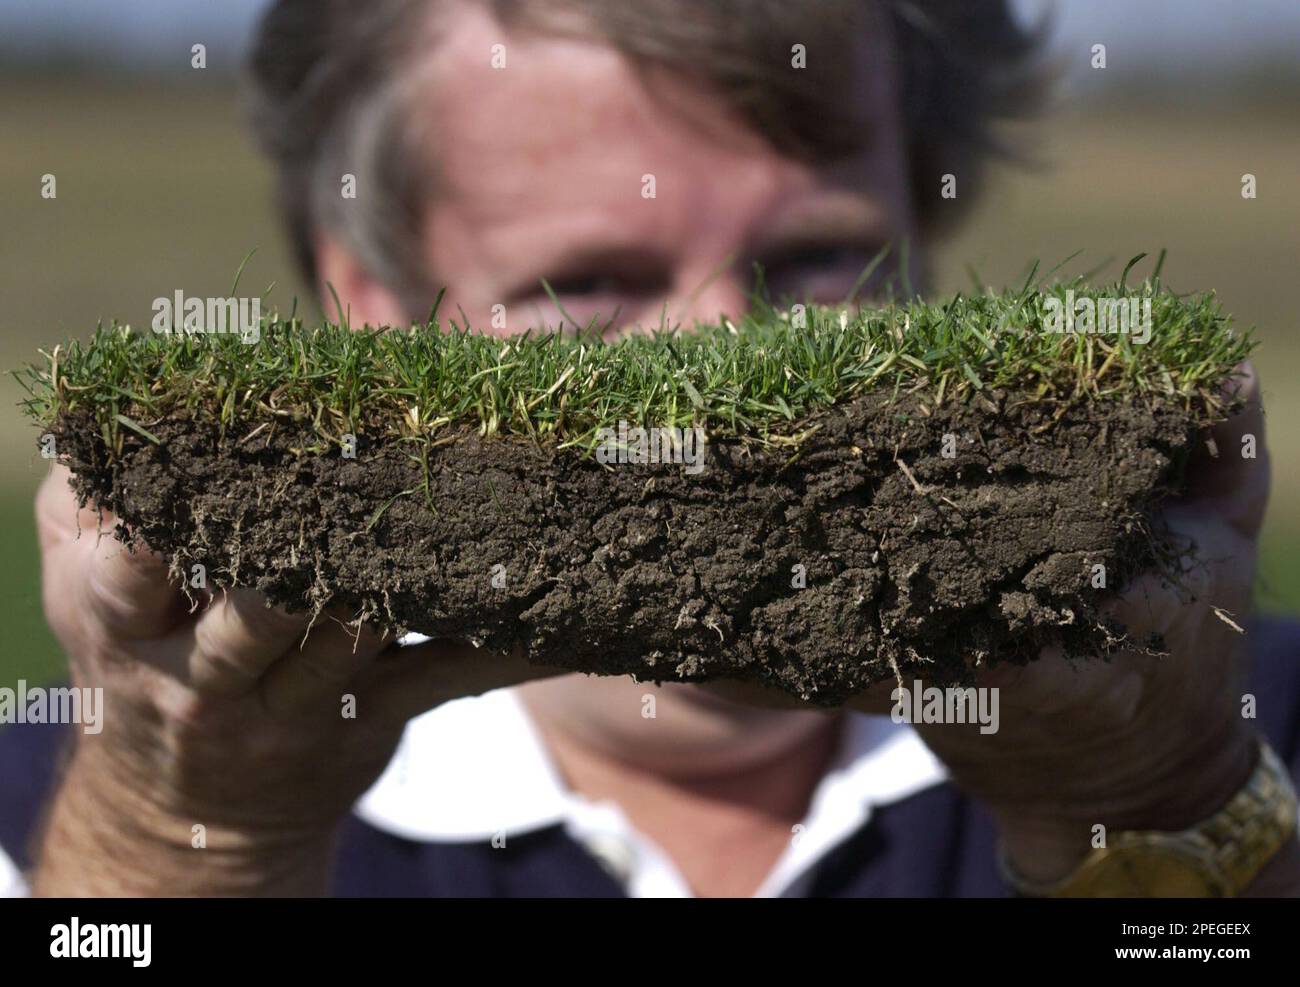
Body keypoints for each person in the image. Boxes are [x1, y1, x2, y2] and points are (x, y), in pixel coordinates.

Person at [4, 0, 1298, 898]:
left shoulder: (1243, 713)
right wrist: (194, 838)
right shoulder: (48, 814)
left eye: (815, 262)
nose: (719, 363)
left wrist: (1161, 792)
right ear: (371, 310)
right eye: (591, 285)